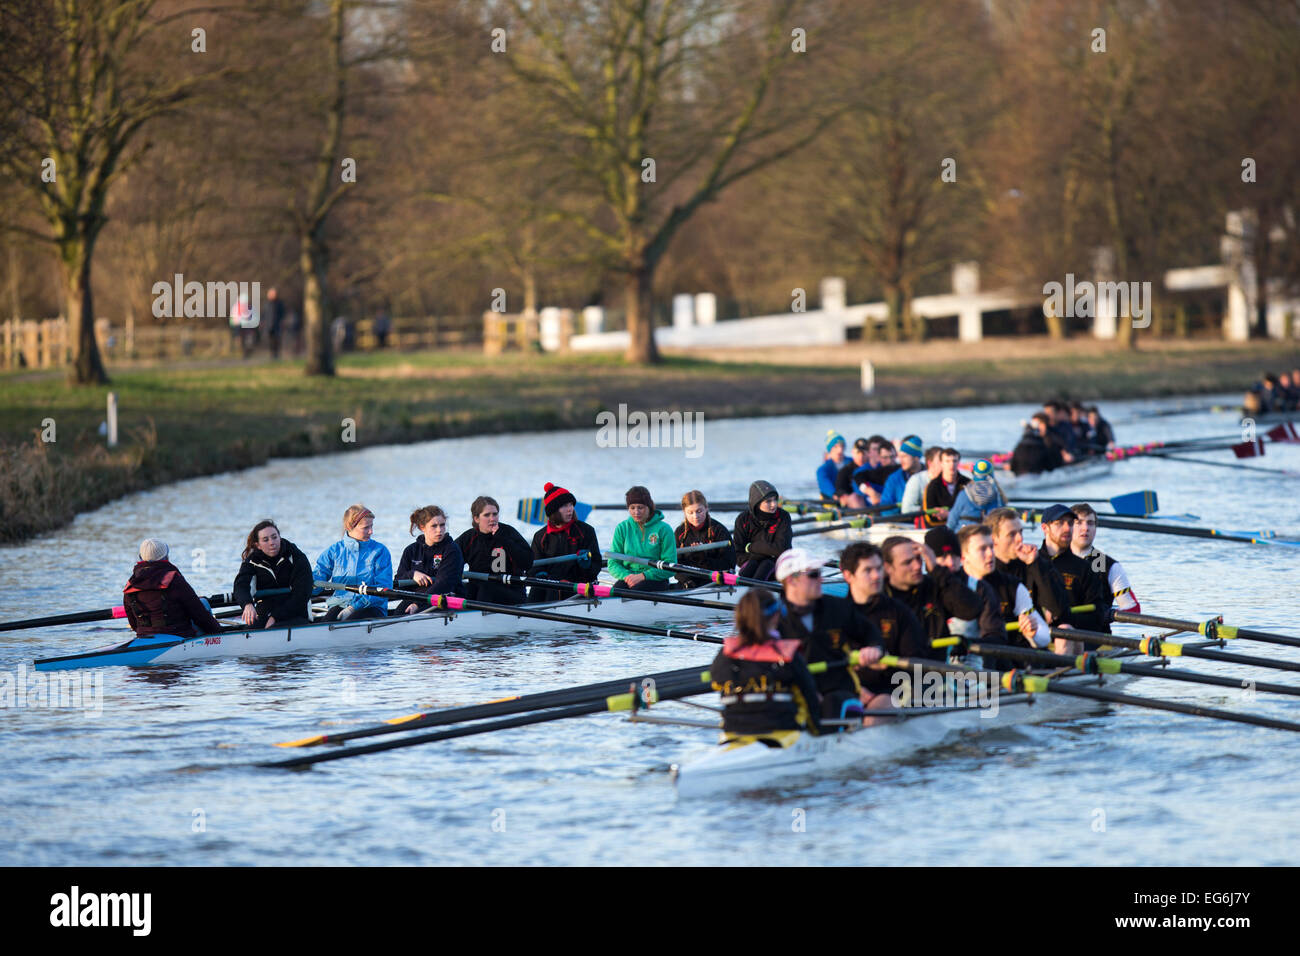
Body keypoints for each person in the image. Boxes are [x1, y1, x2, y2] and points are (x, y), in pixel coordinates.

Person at [773, 548, 882, 723]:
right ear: (791, 580)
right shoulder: (772, 618)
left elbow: (870, 633)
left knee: (833, 704)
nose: (821, 580)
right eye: (814, 574)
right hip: (795, 692)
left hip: (838, 690)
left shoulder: (837, 608)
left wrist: (873, 648)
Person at [709, 589, 824, 737]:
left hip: (733, 734)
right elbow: (810, 696)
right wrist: (817, 731)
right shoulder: (786, 653)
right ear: (776, 617)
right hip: (782, 733)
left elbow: (716, 679)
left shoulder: (726, 653)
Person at [839, 542, 927, 709]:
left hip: (892, 691)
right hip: (849, 691)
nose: (876, 576)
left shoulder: (900, 612)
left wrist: (886, 663)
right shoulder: (835, 615)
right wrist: (854, 688)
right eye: (868, 570)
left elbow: (917, 663)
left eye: (879, 569)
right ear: (848, 576)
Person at [952, 524, 1044, 670]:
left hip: (1001, 664)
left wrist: (1033, 634)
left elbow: (1044, 638)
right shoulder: (948, 587)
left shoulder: (1012, 586)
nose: (990, 554)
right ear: (963, 557)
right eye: (982, 549)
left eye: (991, 547)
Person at [985, 507, 1075, 651]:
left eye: (1020, 532)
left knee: (1067, 630)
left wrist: (1035, 565)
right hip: (996, 650)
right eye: (1012, 534)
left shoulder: (1036, 564)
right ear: (993, 539)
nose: (1020, 539)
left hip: (1033, 647)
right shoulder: (981, 573)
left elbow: (1060, 611)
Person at [880, 535, 984, 657]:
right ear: (887, 568)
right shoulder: (877, 597)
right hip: (895, 673)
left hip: (934, 672)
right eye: (908, 562)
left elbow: (971, 609)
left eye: (919, 558)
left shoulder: (934, 585)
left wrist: (936, 569)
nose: (917, 566)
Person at [123, 538, 225, 639]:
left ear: (141, 557)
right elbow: (199, 614)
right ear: (166, 557)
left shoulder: (130, 585)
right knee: (203, 602)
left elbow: (133, 624)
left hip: (144, 637)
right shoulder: (174, 580)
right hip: (178, 635)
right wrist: (220, 633)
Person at [1039, 503, 1110, 637]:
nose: (1067, 528)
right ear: (1045, 528)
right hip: (1035, 637)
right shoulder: (1029, 563)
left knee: (1065, 631)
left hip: (1074, 639)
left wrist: (1062, 618)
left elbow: (1097, 617)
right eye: (1060, 523)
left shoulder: (1085, 568)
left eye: (1070, 523)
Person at [314, 504, 393, 620]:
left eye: (372, 526)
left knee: (349, 621)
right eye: (366, 528)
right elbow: (318, 577)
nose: (371, 531)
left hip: (371, 606)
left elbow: (384, 587)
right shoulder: (334, 551)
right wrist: (306, 588)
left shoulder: (380, 551)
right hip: (340, 603)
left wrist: (353, 607)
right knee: (325, 624)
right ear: (350, 527)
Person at [528, 483, 601, 603]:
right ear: (553, 511)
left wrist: (587, 566)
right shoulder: (540, 536)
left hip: (578, 589)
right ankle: (526, 616)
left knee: (553, 589)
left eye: (571, 504)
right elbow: (532, 568)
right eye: (564, 506)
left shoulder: (586, 531)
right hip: (550, 587)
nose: (570, 509)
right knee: (541, 587)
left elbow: (595, 567)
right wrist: (539, 574)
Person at [233, 520, 313, 628]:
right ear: (258, 545)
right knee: (249, 629)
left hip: (296, 613)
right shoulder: (252, 561)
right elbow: (240, 585)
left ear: (279, 537)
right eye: (265, 540)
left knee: (274, 627)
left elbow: (302, 594)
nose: (272, 542)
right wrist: (247, 604)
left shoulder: (296, 556)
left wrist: (275, 617)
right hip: (265, 612)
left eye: (274, 537)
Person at [456, 496, 534, 604]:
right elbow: (449, 558)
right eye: (487, 515)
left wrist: (502, 539)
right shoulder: (469, 538)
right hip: (480, 591)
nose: (492, 519)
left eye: (495, 514)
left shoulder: (508, 532)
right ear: (476, 519)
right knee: (460, 589)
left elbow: (527, 562)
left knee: (486, 588)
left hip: (511, 591)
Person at [1070, 502, 1140, 614]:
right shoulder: (1052, 561)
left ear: (1095, 528)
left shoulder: (1109, 565)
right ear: (1068, 527)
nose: (1085, 528)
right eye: (1079, 523)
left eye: (1090, 523)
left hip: (1095, 630)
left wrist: (1109, 614)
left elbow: (1133, 608)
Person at [395, 505, 465, 614]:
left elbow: (444, 584)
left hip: (445, 598)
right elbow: (398, 580)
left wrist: (418, 604)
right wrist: (412, 574)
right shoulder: (411, 550)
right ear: (422, 527)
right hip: (417, 597)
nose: (439, 530)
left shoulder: (452, 550)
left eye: (442, 525)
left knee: (409, 615)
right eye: (434, 526)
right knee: (398, 613)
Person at [607, 486, 676, 591]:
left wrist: (643, 576)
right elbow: (613, 563)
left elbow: (670, 566)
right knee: (614, 592)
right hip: (628, 578)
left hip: (656, 579)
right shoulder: (622, 528)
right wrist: (627, 577)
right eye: (632, 508)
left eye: (640, 507)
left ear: (649, 506)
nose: (636, 512)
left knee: (636, 590)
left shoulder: (664, 529)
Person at [674, 490, 737, 589]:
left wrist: (703, 558)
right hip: (689, 582)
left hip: (714, 582)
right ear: (684, 512)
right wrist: (686, 580)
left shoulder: (718, 530)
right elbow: (674, 565)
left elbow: (730, 564)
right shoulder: (679, 533)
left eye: (699, 511)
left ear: (706, 508)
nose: (695, 516)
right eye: (690, 512)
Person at [732, 480, 793, 581]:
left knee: (766, 565)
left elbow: (782, 549)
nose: (774, 505)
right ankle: (746, 592)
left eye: (775, 500)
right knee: (751, 566)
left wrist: (752, 547)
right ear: (757, 502)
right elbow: (738, 554)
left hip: (778, 563)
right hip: (751, 562)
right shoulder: (742, 519)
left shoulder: (783, 516)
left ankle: (756, 592)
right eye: (768, 501)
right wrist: (760, 555)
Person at [946, 458, 1006, 530]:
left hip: (964, 533)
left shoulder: (964, 494)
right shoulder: (997, 496)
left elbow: (952, 519)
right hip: (986, 535)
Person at [921, 447, 967, 527]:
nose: (951, 464)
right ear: (941, 463)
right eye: (947, 461)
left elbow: (974, 512)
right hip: (940, 529)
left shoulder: (968, 484)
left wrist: (949, 514)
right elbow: (929, 519)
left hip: (963, 528)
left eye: (954, 461)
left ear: (958, 463)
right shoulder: (932, 486)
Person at [880, 435, 923, 513]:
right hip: (902, 522)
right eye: (900, 457)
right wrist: (906, 507)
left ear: (916, 457)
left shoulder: (930, 475)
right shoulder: (893, 479)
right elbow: (885, 511)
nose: (901, 460)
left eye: (904, 456)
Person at [901, 445, 943, 517]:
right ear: (930, 463)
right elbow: (906, 509)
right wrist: (931, 511)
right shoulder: (916, 480)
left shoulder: (949, 481)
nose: (945, 464)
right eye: (941, 461)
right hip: (918, 524)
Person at [833, 438, 871, 509]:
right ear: (853, 452)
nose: (861, 456)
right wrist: (843, 495)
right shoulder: (844, 471)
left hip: (872, 503)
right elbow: (839, 490)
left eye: (864, 453)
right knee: (855, 497)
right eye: (858, 453)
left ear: (869, 454)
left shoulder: (874, 468)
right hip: (854, 506)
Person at [816, 431, 847, 501]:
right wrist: (835, 495)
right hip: (830, 500)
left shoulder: (851, 462)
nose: (840, 450)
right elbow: (825, 485)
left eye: (842, 446)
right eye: (836, 447)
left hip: (849, 498)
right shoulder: (822, 470)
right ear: (830, 449)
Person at [265, 287, 285, 359]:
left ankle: (277, 355)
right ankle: (272, 355)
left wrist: (282, 322)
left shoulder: (279, 303)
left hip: (277, 324)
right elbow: (265, 314)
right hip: (269, 325)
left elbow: (282, 314)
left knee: (277, 340)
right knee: (270, 340)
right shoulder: (267, 304)